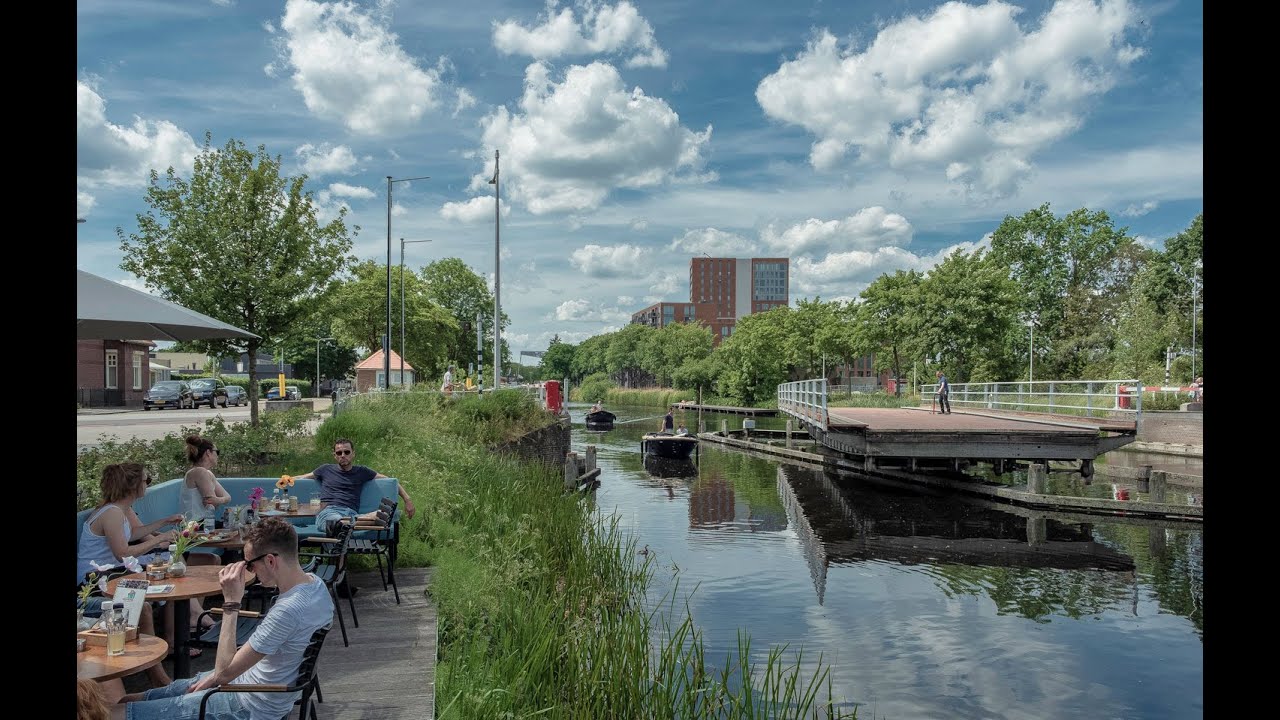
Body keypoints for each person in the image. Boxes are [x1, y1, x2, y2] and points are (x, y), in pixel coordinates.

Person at [112, 517, 334, 720]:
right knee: (128, 701)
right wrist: (215, 679)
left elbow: (224, 673)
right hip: (247, 682)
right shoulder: (316, 585)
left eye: (249, 564)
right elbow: (226, 673)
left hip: (246, 705)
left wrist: (231, 603)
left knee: (116, 714)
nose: (248, 571)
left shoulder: (287, 610)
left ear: (270, 561)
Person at [77, 463, 180, 689]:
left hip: (109, 575)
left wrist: (163, 523)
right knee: (141, 603)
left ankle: (163, 651)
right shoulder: (112, 513)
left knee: (161, 577)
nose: (148, 484)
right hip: (94, 581)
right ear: (133, 485)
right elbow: (122, 552)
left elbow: (133, 533)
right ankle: (155, 673)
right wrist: (158, 540)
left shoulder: (118, 510)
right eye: (146, 480)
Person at [288, 438, 417, 598]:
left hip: (350, 514)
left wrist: (408, 499)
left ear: (353, 454)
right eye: (339, 453)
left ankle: (339, 575)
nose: (343, 455)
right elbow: (301, 477)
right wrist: (286, 480)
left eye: (346, 452)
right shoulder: (325, 469)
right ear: (334, 455)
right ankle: (341, 578)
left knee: (345, 526)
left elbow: (391, 482)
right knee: (338, 523)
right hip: (329, 511)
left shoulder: (362, 472)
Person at [181, 435, 232, 522]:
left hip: (203, 523)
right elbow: (211, 505)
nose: (218, 456)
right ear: (208, 453)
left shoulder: (207, 473)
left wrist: (218, 500)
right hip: (197, 525)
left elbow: (227, 497)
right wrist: (219, 500)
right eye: (217, 452)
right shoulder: (200, 472)